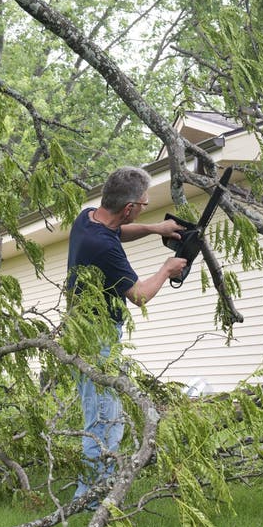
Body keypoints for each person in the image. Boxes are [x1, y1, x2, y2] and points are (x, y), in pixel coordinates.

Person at [66, 166, 187, 499]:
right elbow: (139, 296)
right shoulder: (104, 248)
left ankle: (94, 494)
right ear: (129, 207)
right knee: (105, 422)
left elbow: (118, 231)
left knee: (104, 417)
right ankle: (89, 503)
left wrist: (153, 228)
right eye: (144, 205)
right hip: (97, 339)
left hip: (84, 331)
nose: (145, 208)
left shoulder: (87, 218)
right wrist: (167, 269)